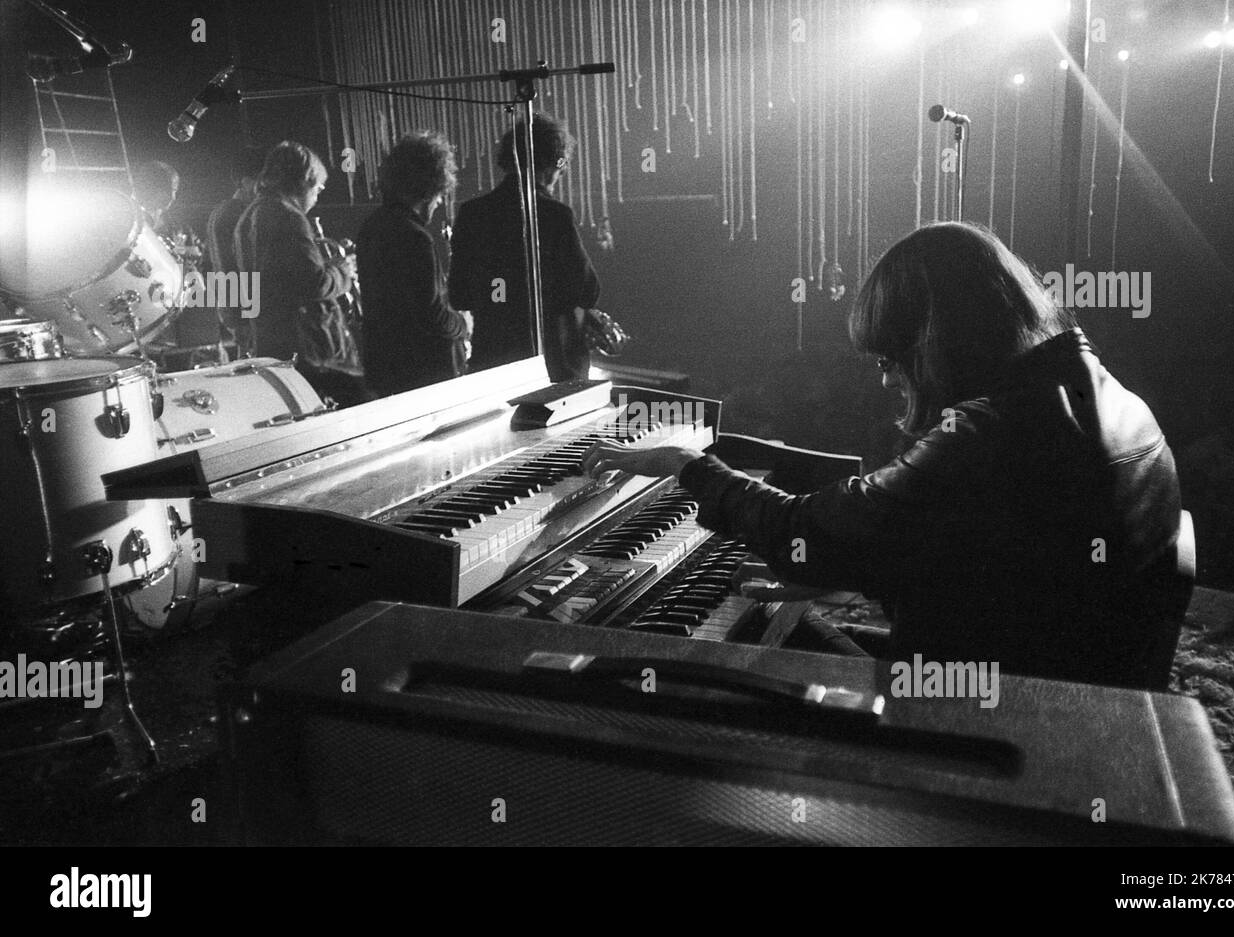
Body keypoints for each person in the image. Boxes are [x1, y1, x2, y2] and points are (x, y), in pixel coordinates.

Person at [583, 223, 1185, 690]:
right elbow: (999, 553)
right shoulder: (1105, 397)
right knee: (786, 629)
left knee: (726, 674)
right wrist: (859, 566)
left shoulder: (988, 432)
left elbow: (806, 529)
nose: (886, 379)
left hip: (990, 719)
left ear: (933, 341)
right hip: (1063, 684)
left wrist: (688, 465)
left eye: (889, 359)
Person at [448, 114, 599, 382]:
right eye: (560, 163)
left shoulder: (471, 214)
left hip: (492, 359)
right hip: (553, 362)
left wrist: (500, 298)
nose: (562, 171)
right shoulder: (555, 214)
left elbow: (460, 296)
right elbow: (587, 290)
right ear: (549, 165)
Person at [233, 141, 365, 406]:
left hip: (271, 340)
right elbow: (314, 284)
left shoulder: (249, 215)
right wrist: (343, 270)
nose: (316, 199)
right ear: (303, 182)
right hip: (308, 350)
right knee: (357, 405)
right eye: (317, 189)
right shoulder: (289, 217)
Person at [356, 131, 470, 397]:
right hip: (424, 374)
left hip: (384, 369)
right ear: (428, 187)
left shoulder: (371, 226)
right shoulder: (415, 237)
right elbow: (431, 315)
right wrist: (463, 325)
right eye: (440, 194)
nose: (440, 201)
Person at [204, 145, 268, 358]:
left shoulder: (224, 211)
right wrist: (243, 320)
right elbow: (231, 268)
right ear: (245, 181)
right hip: (245, 314)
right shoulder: (235, 213)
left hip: (240, 313)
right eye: (262, 180)